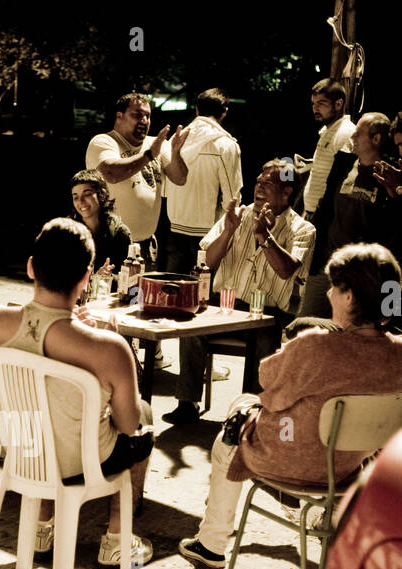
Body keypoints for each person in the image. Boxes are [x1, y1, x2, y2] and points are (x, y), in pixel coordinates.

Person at [179, 243, 402, 568]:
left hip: (290, 459)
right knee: (245, 409)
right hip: (347, 470)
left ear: (349, 297)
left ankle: (212, 543)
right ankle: (318, 514)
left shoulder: (315, 344)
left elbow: (270, 387)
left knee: (229, 437)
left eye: (335, 287)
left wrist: (293, 349)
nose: (330, 294)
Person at [0, 218, 156, 569]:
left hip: (18, 452)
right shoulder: (108, 348)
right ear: (86, 277)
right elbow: (128, 425)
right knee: (143, 414)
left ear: (30, 266)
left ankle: (41, 526)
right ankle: (116, 539)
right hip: (79, 463)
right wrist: (102, 337)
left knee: (39, 415)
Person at [165, 159, 316, 422]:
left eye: (267, 183)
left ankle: (248, 413)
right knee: (192, 325)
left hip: (266, 314)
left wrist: (264, 236)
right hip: (225, 304)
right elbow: (206, 263)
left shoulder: (303, 229)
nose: (258, 187)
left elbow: (286, 270)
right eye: (258, 181)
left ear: (287, 191)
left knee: (264, 339)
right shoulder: (239, 215)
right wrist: (227, 233)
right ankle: (187, 403)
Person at [297, 111, 402, 320]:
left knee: (346, 333)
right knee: (304, 325)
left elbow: (395, 228)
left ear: (376, 139)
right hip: (325, 265)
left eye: (358, 133)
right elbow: (325, 208)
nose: (352, 138)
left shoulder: (391, 175)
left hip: (359, 275)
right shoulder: (343, 164)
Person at [85, 92, 189, 265]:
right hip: (111, 243)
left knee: (141, 293)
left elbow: (180, 178)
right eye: (137, 115)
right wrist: (148, 156)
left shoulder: (157, 144)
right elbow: (110, 173)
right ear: (119, 116)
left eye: (148, 116)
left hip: (145, 246)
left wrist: (176, 152)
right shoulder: (104, 141)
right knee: (107, 291)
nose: (144, 120)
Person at [164, 88, 242, 274]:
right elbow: (232, 197)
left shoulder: (175, 140)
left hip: (174, 227)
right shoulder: (226, 145)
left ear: (197, 110)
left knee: (172, 292)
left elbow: (165, 190)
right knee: (202, 295)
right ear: (224, 112)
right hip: (208, 232)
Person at [299, 79, 355, 221]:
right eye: (313, 103)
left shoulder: (345, 133)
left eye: (321, 103)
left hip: (327, 216)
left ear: (338, 104)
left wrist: (321, 214)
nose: (315, 108)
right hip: (313, 213)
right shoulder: (327, 131)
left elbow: (339, 183)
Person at [69, 169, 131, 283]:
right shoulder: (68, 231)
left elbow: (127, 280)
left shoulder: (120, 233)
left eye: (87, 194)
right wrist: (93, 278)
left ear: (102, 194)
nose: (81, 201)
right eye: (75, 197)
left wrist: (107, 277)